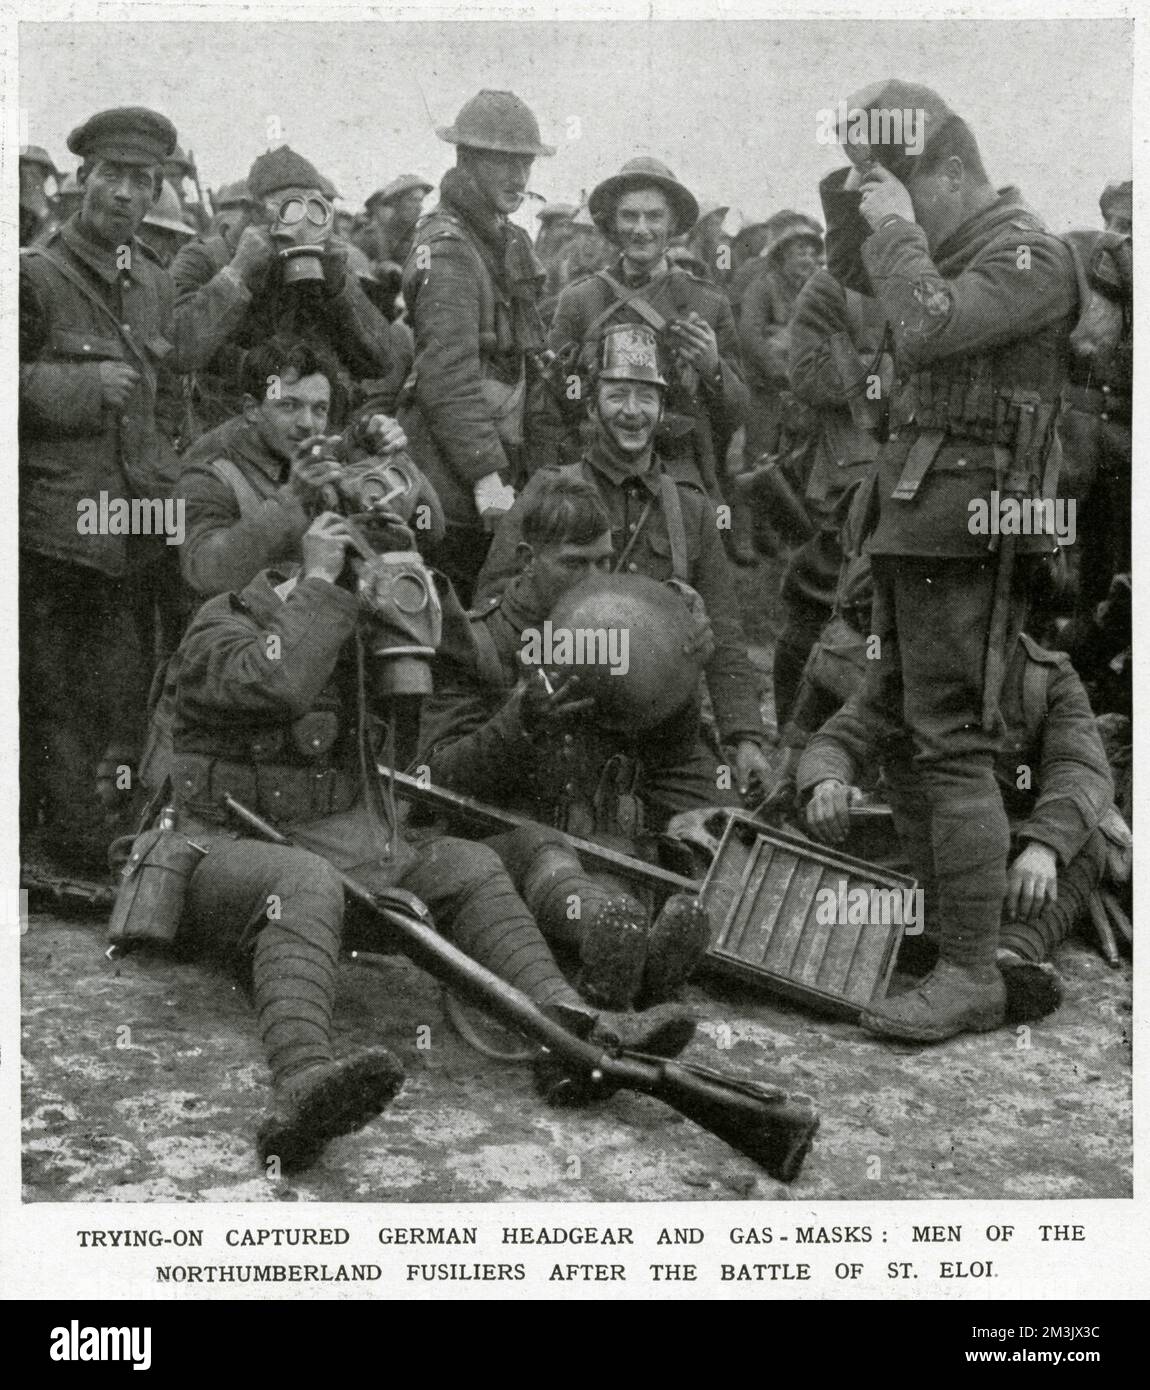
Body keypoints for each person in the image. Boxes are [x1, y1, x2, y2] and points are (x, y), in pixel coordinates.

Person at [158, 511, 694, 1170]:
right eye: (351, 579)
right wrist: (325, 585)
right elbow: (279, 685)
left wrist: (413, 610)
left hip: (337, 849)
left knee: (467, 862)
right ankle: (301, 1088)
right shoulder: (223, 626)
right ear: (298, 572)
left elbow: (442, 715)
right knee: (304, 881)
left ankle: (572, 1029)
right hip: (219, 854)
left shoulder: (349, 640)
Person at [821, 80, 1079, 1042]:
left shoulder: (1029, 254)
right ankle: (948, 948)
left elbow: (926, 322)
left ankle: (972, 970)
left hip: (969, 527)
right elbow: (866, 281)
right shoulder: (945, 252)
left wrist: (892, 224)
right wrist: (868, 194)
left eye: (910, 184)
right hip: (917, 518)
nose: (896, 207)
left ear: (959, 170)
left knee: (955, 743)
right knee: (916, 737)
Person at [418, 471, 716, 1009]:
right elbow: (432, 779)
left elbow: (671, 757)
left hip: (606, 854)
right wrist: (520, 722)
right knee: (563, 874)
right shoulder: (480, 644)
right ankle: (628, 973)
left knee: (631, 896)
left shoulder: (625, 629)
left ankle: (623, 983)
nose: (594, 577)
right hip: (511, 859)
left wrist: (681, 672)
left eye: (604, 560)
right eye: (574, 562)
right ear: (529, 556)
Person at [475, 323, 771, 800]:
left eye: (646, 397)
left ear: (662, 409)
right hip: (571, 720)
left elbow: (726, 635)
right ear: (591, 406)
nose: (632, 412)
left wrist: (745, 738)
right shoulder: (549, 490)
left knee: (723, 838)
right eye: (617, 395)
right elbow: (491, 606)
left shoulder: (692, 509)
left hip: (667, 735)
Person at [19, 107, 189, 874]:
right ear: (82, 179)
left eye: (142, 180)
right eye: (113, 176)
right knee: (53, 696)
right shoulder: (32, 273)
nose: (126, 193)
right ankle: (66, 844)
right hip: (52, 529)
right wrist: (82, 388)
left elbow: (168, 390)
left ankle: (94, 834)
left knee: (122, 691)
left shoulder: (150, 281)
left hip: (129, 527)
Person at [798, 631, 1123, 1022]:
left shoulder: (1046, 678)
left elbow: (1080, 769)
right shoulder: (907, 666)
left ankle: (1007, 957)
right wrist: (827, 782)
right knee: (828, 832)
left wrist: (1045, 846)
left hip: (1004, 854)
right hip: (920, 843)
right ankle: (930, 941)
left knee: (1087, 844)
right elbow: (839, 737)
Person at [399, 90, 555, 605]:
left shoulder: (499, 237)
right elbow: (446, 378)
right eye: (501, 160)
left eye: (524, 161)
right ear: (465, 159)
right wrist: (487, 475)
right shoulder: (449, 250)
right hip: (455, 471)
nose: (518, 176)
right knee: (458, 609)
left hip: (496, 448)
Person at [536, 157, 746, 505]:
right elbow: (552, 407)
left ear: (673, 223)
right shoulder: (580, 299)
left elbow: (738, 410)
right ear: (613, 224)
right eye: (629, 216)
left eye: (654, 216)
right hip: (594, 474)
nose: (641, 228)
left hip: (676, 475)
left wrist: (712, 368)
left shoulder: (706, 302)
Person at [171, 145, 407, 438]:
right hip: (230, 439)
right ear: (255, 211)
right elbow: (179, 351)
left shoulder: (326, 265)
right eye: (290, 209)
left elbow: (381, 362)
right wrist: (238, 271)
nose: (302, 223)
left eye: (314, 209)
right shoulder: (205, 258)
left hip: (310, 438)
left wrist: (339, 287)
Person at [175, 335, 412, 600]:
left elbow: (432, 529)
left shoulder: (320, 453)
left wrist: (391, 456)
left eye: (320, 408)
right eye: (289, 405)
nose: (307, 423)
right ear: (252, 409)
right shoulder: (208, 475)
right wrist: (291, 498)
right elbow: (205, 574)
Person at [737, 210, 824, 467]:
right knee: (761, 464)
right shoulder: (763, 287)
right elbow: (749, 334)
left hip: (805, 392)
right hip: (768, 393)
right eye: (800, 252)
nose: (808, 260)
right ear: (783, 254)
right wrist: (779, 369)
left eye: (811, 253)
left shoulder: (816, 292)